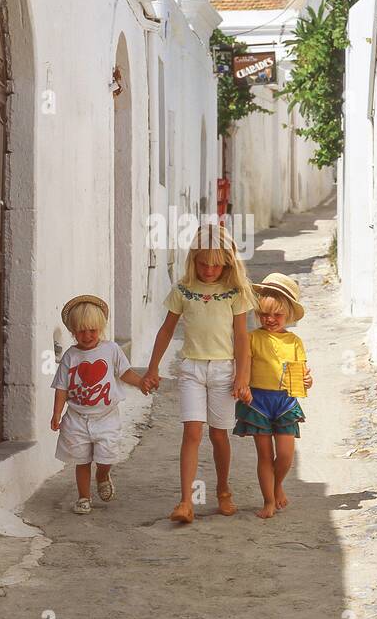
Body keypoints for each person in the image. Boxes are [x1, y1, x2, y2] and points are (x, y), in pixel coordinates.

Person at [141, 223, 256, 524]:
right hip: (191, 368)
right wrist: (153, 367)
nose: (208, 270)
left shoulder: (235, 292)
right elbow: (167, 330)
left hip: (223, 370)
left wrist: (242, 376)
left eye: (216, 266)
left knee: (219, 434)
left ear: (227, 263)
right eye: (203, 264)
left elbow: (242, 337)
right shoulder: (183, 290)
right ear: (194, 260)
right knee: (191, 432)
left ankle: (223, 490)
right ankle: (185, 501)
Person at [50, 295, 146, 514]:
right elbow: (62, 388)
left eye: (92, 330)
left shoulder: (111, 350)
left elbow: (125, 373)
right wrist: (56, 413)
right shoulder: (70, 356)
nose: (87, 336)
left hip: (106, 417)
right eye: (81, 331)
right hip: (76, 418)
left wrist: (142, 383)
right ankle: (84, 497)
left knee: (106, 455)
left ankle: (102, 474)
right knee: (81, 460)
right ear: (73, 331)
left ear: (101, 328)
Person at [233, 273, 312, 519]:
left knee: (286, 454)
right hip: (258, 402)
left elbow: (301, 376)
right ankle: (268, 500)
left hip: (286, 401)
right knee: (265, 455)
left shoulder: (295, 342)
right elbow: (244, 366)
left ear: (288, 314)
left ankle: (278, 485)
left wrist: (308, 381)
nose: (270, 319)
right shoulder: (253, 338)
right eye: (264, 314)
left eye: (277, 315)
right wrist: (243, 387)